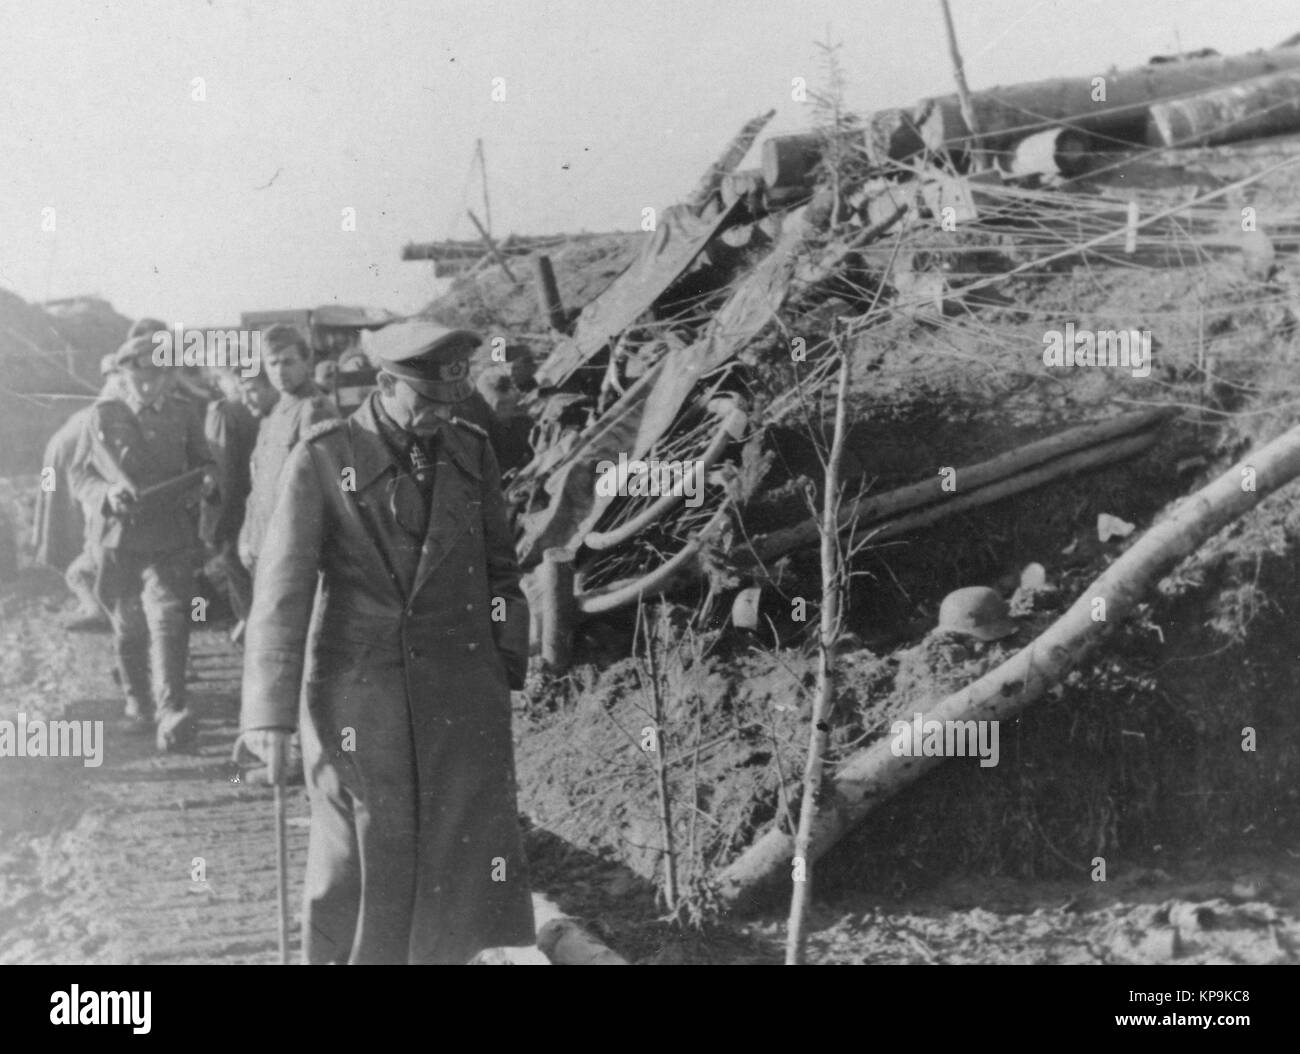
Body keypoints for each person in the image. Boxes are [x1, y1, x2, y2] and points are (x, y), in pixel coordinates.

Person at [237, 319, 534, 964]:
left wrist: (504, 663)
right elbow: (282, 590)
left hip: (459, 695)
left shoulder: (471, 448)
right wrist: (269, 714)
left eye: (449, 402)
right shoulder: (323, 455)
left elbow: (500, 568)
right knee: (365, 859)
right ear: (383, 383)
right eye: (423, 400)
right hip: (359, 695)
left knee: (457, 859)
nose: (437, 417)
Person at [70, 336, 213, 751]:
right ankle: (138, 702)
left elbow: (205, 462)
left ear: (170, 378)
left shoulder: (185, 414)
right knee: (129, 624)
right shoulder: (103, 417)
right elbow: (80, 475)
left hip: (169, 533)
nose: (148, 383)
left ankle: (172, 711)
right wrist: (106, 495)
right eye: (139, 374)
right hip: (119, 538)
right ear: (124, 374)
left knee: (169, 620)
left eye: (158, 375)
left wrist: (204, 484)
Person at [237, 324, 336, 574]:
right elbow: (259, 485)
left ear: (307, 361)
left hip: (295, 546)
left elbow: (322, 487)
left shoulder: (314, 409)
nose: (280, 371)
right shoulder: (272, 414)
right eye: (272, 363)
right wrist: (247, 535)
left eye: (288, 362)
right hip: (265, 541)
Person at [33, 354, 120, 631]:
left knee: (60, 517)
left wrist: (45, 493)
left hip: (56, 464)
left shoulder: (87, 414)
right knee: (74, 519)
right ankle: (99, 602)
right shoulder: (109, 412)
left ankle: (96, 597)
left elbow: (47, 482)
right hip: (65, 464)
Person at [200, 367, 258, 627]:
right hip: (259, 507)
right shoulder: (261, 407)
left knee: (241, 582)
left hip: (232, 511)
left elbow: (223, 473)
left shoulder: (223, 413)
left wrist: (214, 525)